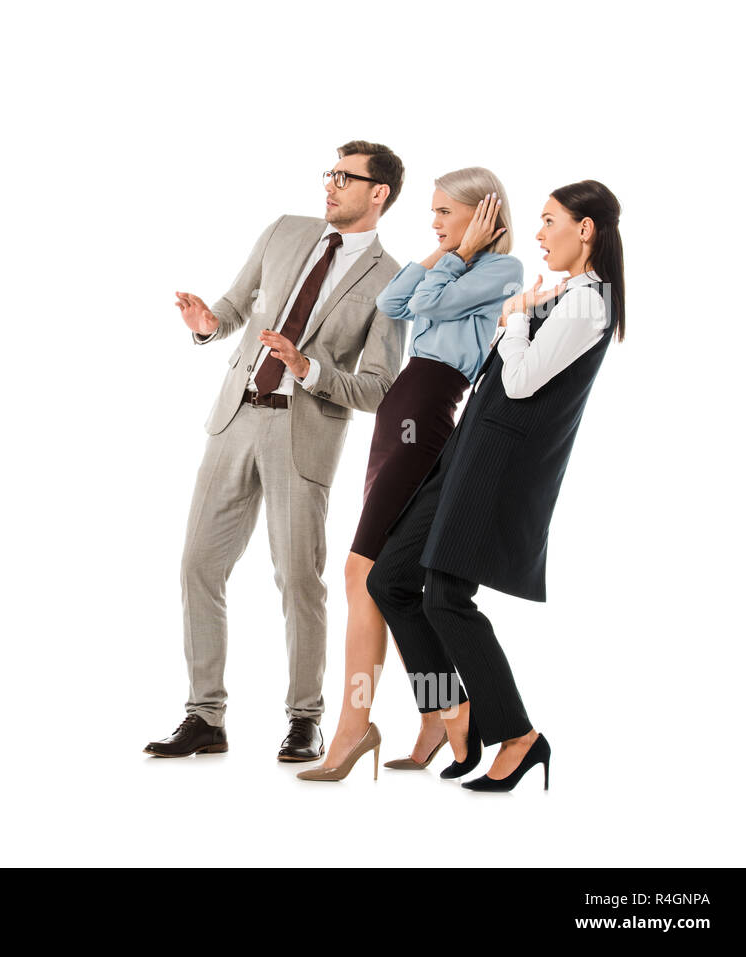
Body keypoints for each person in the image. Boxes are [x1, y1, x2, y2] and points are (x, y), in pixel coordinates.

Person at [144, 141, 407, 762]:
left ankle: (304, 718)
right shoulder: (284, 231)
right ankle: (204, 715)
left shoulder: (395, 281)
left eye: (348, 177)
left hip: (303, 430)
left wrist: (309, 368)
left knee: (297, 580)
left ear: (379, 194)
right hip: (234, 418)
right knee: (197, 567)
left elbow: (378, 389)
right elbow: (234, 309)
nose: (332, 184)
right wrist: (208, 323)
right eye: (331, 172)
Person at [366, 179, 625, 791]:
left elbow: (525, 380)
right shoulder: (566, 294)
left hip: (495, 467)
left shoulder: (590, 301)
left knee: (446, 598)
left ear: (584, 230)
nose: (538, 233)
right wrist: (525, 315)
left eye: (550, 220)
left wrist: (512, 320)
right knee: (390, 580)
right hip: (465, 449)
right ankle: (448, 706)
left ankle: (519, 736)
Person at [301, 168, 523, 782]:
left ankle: (357, 726)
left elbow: (421, 301)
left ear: (481, 216)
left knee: (362, 571)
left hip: (423, 413)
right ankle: (435, 710)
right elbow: (391, 302)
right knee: (389, 583)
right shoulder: (457, 260)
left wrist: (461, 255)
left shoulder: (501, 271)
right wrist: (445, 250)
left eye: (444, 214)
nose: (434, 224)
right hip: (401, 409)